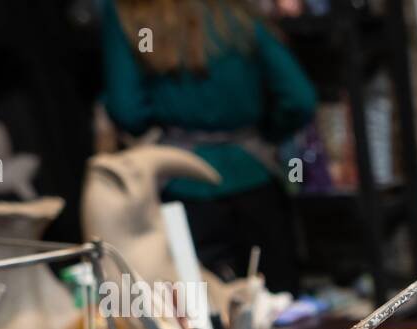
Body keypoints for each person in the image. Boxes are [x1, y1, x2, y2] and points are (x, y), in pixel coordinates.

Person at [100, 0, 315, 294]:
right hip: (254, 176)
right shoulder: (236, 11)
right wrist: (266, 133)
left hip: (183, 188)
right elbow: (299, 97)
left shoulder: (132, 15)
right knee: (280, 305)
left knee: (202, 310)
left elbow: (127, 110)